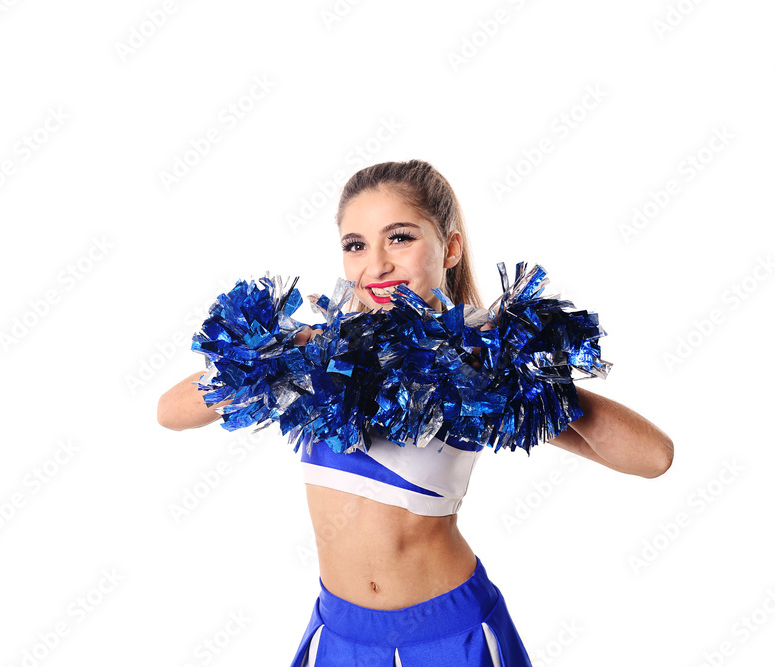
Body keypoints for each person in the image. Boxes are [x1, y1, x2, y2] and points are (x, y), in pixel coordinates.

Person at [157, 159, 674, 666]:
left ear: (449, 247)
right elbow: (170, 412)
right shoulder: (319, 355)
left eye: (399, 237)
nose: (375, 264)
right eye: (355, 245)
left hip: (450, 636)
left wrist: (524, 375)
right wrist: (276, 354)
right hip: (341, 632)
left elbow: (653, 457)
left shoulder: (477, 361)